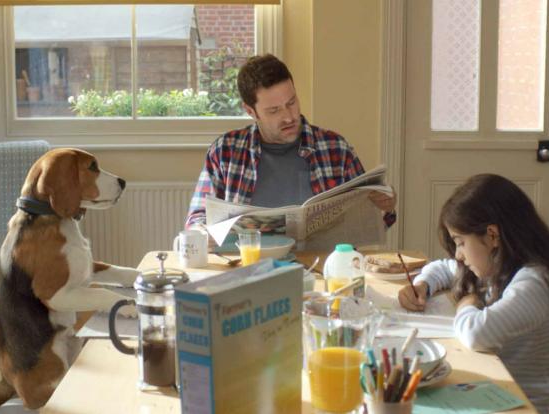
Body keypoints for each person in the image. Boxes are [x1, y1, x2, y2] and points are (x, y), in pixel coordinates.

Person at [185, 54, 396, 229]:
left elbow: (371, 220)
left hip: (320, 264)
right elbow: (197, 218)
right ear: (251, 111)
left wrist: (385, 206)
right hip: (250, 263)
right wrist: (203, 234)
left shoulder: (336, 149)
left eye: (292, 102)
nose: (289, 117)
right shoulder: (225, 152)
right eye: (274, 110)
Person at [398, 174, 549, 412]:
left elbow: (476, 333)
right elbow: (443, 267)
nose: (458, 255)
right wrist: (423, 285)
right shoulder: (498, 267)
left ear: (492, 235)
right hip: (497, 392)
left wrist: (466, 304)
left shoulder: (534, 283)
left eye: (460, 242)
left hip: (525, 406)